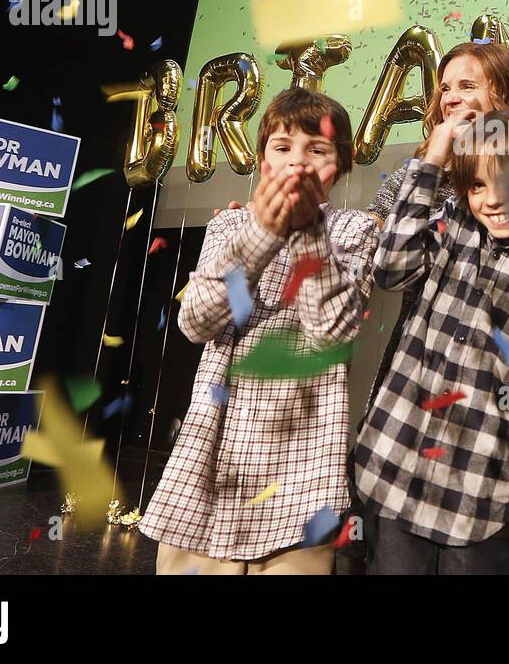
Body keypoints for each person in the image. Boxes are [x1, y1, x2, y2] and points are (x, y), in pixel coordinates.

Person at [358, 41, 509, 572]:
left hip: (492, 426)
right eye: (444, 88)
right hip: (417, 396)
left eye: (468, 86)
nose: (450, 98)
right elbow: (379, 247)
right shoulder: (425, 170)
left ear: (505, 94)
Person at [139, 88, 378, 574]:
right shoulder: (229, 226)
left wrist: (306, 228)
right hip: (214, 454)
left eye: (318, 150)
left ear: (341, 166)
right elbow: (195, 321)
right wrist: (262, 235)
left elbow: (331, 331)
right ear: (262, 156)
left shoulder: (354, 231)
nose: (298, 164)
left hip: (305, 460)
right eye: (283, 147)